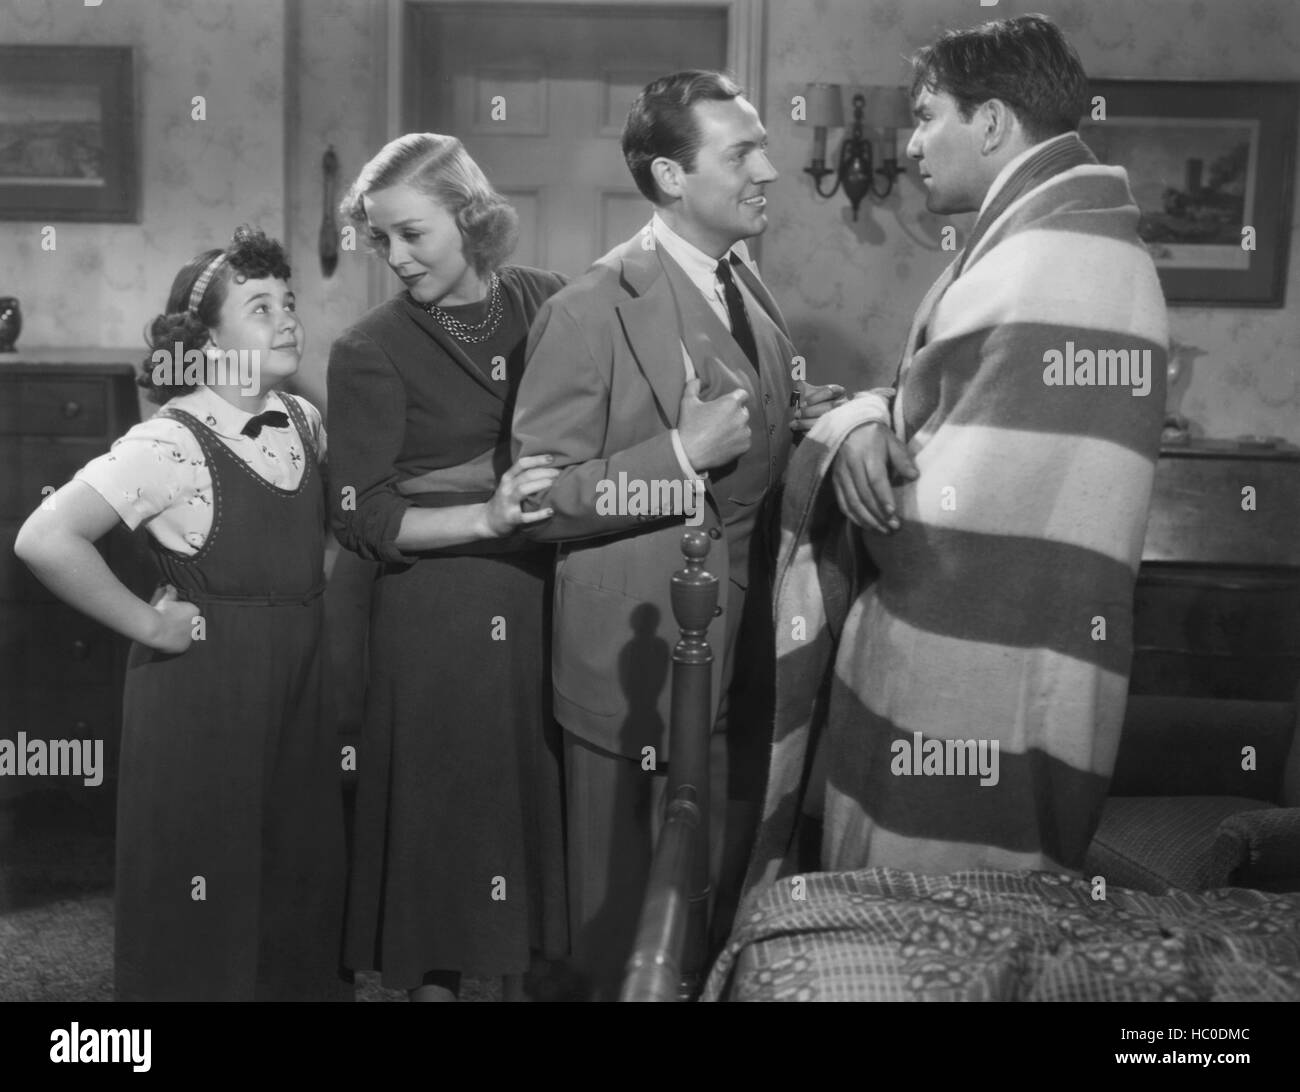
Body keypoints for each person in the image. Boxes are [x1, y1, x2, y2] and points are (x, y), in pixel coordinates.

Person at [746, 14, 1169, 893]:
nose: (912, 143)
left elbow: (934, 520)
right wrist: (862, 421)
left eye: (930, 113)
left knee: (930, 930)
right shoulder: (1070, 241)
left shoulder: (1044, 262)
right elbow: (918, 422)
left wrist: (833, 440)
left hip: (971, 677)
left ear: (992, 122)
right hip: (1023, 664)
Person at [511, 70, 840, 999]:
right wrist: (680, 456)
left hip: (741, 648)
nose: (770, 169)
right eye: (741, 154)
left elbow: (757, 423)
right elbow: (540, 501)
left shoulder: (747, 285)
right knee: (621, 933)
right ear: (668, 176)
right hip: (635, 664)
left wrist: (817, 417)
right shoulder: (588, 309)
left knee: (702, 901)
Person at [14, 226, 349, 1000]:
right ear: (204, 342)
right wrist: (146, 622)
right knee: (206, 879)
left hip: (299, 677)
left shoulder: (304, 419)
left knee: (298, 868)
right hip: (204, 689)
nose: (288, 318)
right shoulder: (166, 442)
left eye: (289, 301)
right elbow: (44, 538)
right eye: (260, 307)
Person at [328, 133, 569, 1002]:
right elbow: (359, 515)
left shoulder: (546, 298)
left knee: (519, 831)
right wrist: (486, 510)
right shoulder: (370, 348)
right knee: (448, 837)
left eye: (412, 234)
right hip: (441, 620)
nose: (393, 258)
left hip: (543, 601)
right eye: (379, 238)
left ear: (472, 218)